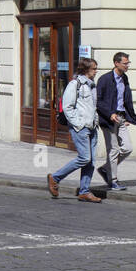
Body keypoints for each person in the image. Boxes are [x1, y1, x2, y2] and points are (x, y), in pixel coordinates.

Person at [47, 58, 102, 202]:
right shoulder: (75, 84)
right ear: (86, 69)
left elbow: (93, 106)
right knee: (84, 158)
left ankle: (84, 191)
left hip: (92, 127)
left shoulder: (92, 86)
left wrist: (95, 121)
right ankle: (55, 177)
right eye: (94, 68)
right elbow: (67, 107)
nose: (96, 71)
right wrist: (79, 123)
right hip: (81, 128)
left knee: (90, 161)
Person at [96, 52, 136, 192]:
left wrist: (128, 117)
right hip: (108, 120)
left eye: (128, 63)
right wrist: (110, 114)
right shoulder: (104, 79)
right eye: (125, 63)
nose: (128, 65)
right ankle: (113, 180)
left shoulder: (124, 78)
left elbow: (126, 100)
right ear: (116, 63)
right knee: (113, 150)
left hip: (121, 118)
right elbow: (99, 101)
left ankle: (105, 169)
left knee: (127, 148)